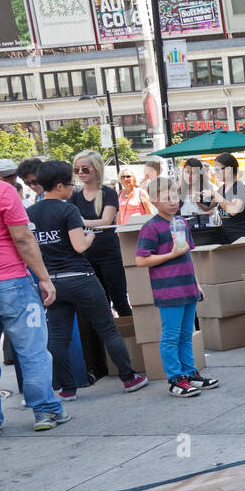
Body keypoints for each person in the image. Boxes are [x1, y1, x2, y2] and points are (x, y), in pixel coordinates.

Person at [28, 160, 148, 399]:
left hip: (53, 281)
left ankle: (67, 388)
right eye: (70, 183)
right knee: (107, 328)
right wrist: (90, 237)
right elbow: (79, 246)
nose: (72, 187)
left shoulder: (31, 212)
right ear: (59, 186)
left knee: (58, 336)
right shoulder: (68, 210)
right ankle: (129, 377)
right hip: (81, 277)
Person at [0, 134, 69, 434]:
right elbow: (23, 238)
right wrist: (44, 278)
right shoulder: (1, 190)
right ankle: (45, 411)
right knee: (32, 351)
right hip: (11, 282)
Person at [134, 177, 220, 398]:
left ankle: (190, 373)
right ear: (153, 201)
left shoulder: (182, 222)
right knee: (171, 336)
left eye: (175, 196)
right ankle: (175, 378)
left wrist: (196, 284)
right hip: (168, 290)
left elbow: (187, 256)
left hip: (187, 287)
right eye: (166, 197)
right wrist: (170, 254)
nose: (172, 201)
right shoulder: (150, 227)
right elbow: (141, 260)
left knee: (186, 334)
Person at [70, 149, 130, 316]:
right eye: (77, 169)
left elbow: (106, 221)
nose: (80, 173)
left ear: (96, 169)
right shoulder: (75, 194)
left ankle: (130, 331)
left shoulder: (107, 193)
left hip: (109, 254)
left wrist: (82, 222)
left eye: (85, 169)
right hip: (86, 255)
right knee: (98, 303)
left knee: (119, 300)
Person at [210, 153, 245, 244]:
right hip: (227, 237)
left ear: (228, 169)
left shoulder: (239, 187)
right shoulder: (222, 188)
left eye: (217, 170)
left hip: (241, 238)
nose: (215, 173)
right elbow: (208, 208)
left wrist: (215, 195)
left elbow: (233, 210)